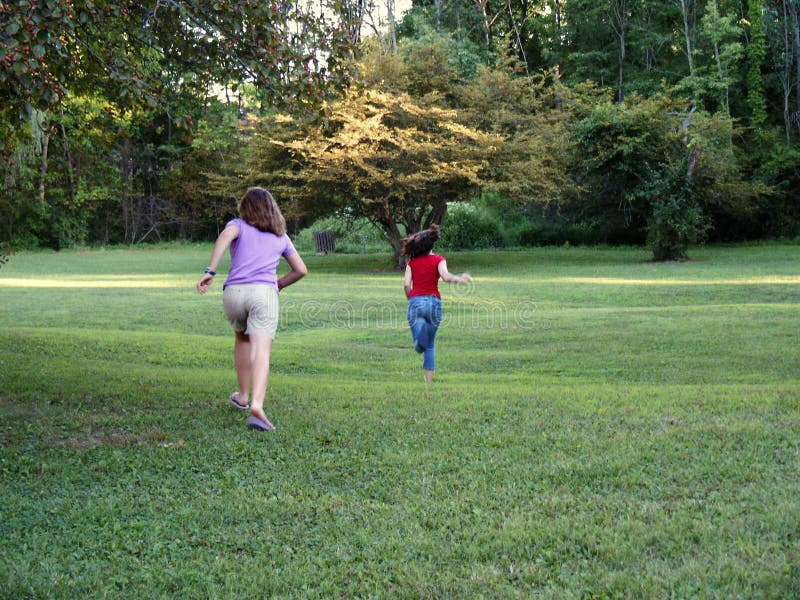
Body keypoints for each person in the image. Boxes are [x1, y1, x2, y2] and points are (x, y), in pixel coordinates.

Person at [197, 187, 307, 432]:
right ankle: (257, 404)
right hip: (263, 294)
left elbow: (224, 237)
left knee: (242, 339)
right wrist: (278, 284)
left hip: (233, 294)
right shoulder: (281, 236)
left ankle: (243, 396)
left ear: (246, 208)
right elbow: (301, 269)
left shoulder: (238, 225)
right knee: (261, 350)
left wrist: (210, 271)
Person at [402, 224, 472, 384]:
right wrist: (461, 279)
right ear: (431, 245)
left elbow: (406, 285)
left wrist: (411, 300)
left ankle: (420, 339)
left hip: (416, 301)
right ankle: (428, 383)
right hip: (434, 304)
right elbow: (446, 277)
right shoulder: (439, 260)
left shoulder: (412, 263)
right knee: (430, 345)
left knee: (420, 343)